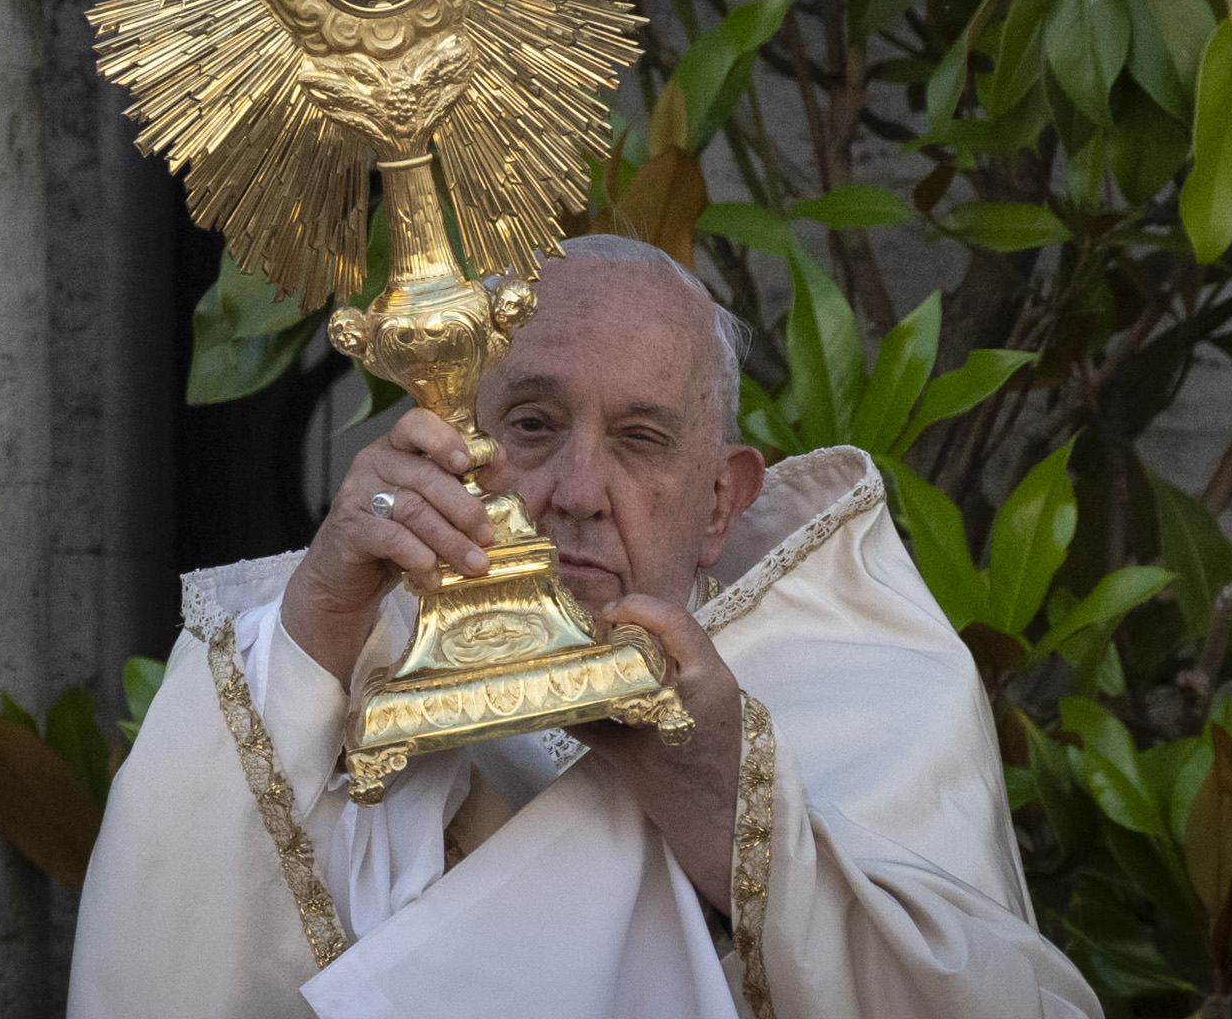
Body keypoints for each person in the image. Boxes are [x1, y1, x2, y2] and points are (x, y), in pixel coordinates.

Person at [70, 234, 1099, 1019]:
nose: (575, 490)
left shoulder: (876, 680)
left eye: (642, 438)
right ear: (457, 440)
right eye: (531, 424)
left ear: (718, 503)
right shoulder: (360, 660)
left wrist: (719, 798)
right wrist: (317, 620)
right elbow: (159, 949)